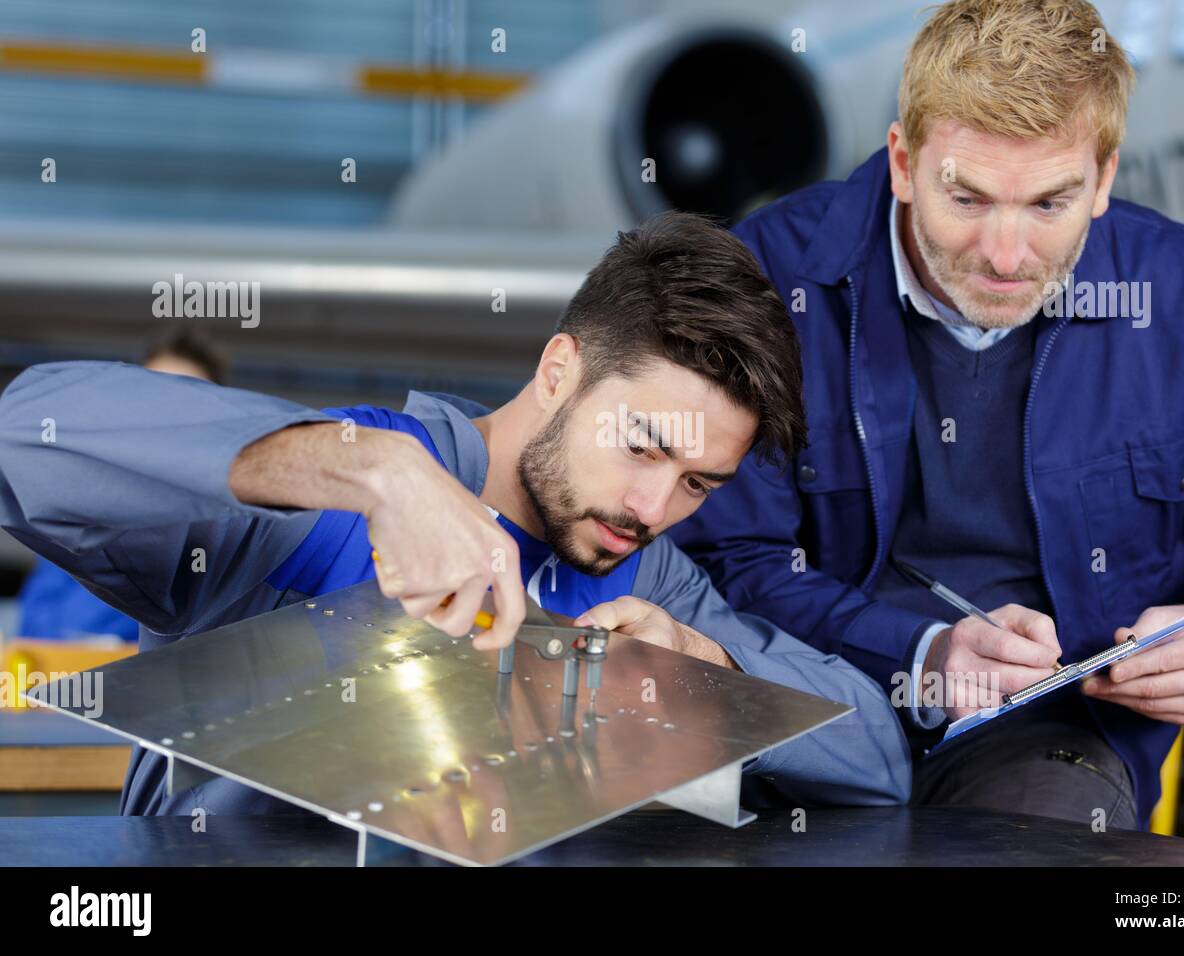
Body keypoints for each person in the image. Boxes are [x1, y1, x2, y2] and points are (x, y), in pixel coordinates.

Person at [0, 212, 910, 815]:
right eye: (641, 445)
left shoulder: (640, 573)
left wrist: (707, 672)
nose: (653, 506)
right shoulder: (328, 489)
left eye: (698, 485)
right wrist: (378, 474)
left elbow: (877, 758)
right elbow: (24, 436)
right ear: (559, 372)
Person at [669, 0, 1184, 829]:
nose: (1006, 257)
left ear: (1104, 178)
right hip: (793, 711)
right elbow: (720, 556)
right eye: (966, 199)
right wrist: (917, 654)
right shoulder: (762, 277)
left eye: (1049, 204)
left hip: (1048, 742)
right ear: (902, 161)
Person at [15, 328, 228, 642]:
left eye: (188, 400)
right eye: (154, 395)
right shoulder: (78, 503)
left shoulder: (233, 521)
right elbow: (34, 629)